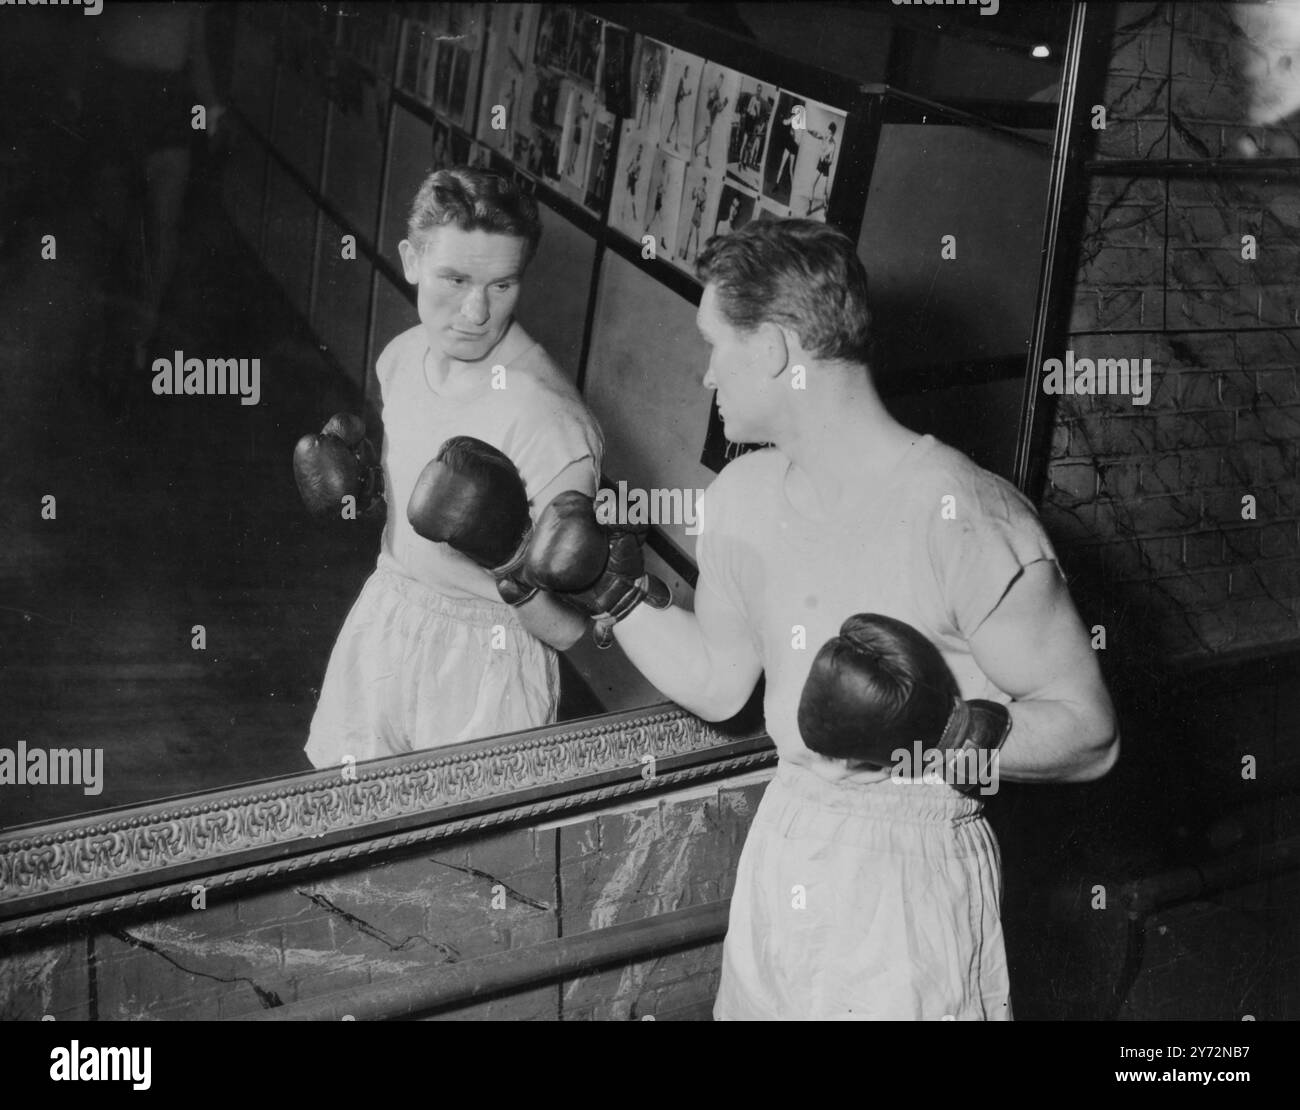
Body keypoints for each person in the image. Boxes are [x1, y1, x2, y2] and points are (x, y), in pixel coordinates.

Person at [518, 219, 1118, 1020]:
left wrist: (941, 733)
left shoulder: (962, 511)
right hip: (786, 842)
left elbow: (1090, 735)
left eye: (715, 345)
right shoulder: (744, 496)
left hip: (911, 870)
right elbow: (718, 681)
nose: (705, 375)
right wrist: (609, 591)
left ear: (772, 349)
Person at [296, 168, 602, 769]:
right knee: (344, 831)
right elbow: (415, 527)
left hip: (487, 658)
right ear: (410, 260)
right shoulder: (401, 357)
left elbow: (574, 632)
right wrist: (368, 497)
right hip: (385, 620)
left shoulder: (551, 422)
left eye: (502, 285)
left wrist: (509, 561)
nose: (475, 311)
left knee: (460, 859)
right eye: (454, 278)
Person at [70, 2, 222, 388]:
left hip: (169, 101)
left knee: (162, 226)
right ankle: (99, 332)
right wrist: (75, 87)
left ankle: (143, 332)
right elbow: (90, 28)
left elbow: (197, 48)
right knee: (111, 228)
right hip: (115, 94)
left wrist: (211, 110)